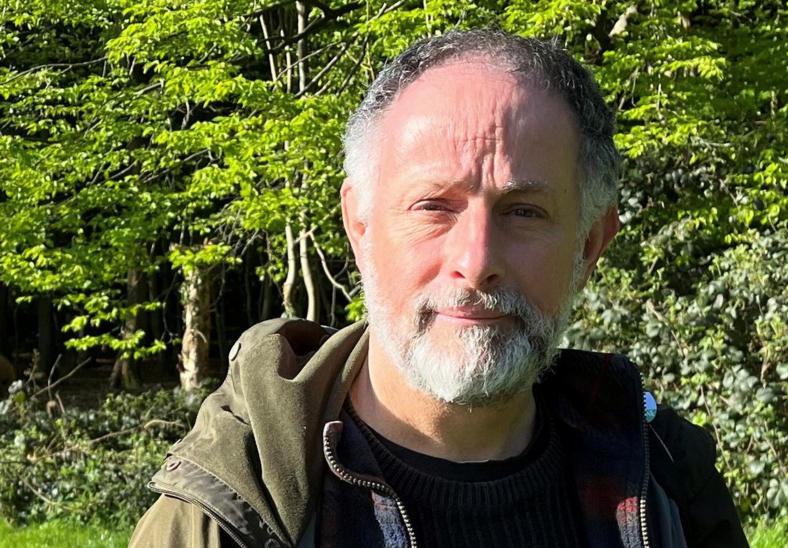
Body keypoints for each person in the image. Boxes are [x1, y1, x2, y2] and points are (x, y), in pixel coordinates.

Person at [130, 29, 747, 548]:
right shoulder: (227, 517)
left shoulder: (666, 484)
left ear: (589, 245)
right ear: (361, 225)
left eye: (525, 212)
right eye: (433, 206)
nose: (476, 262)